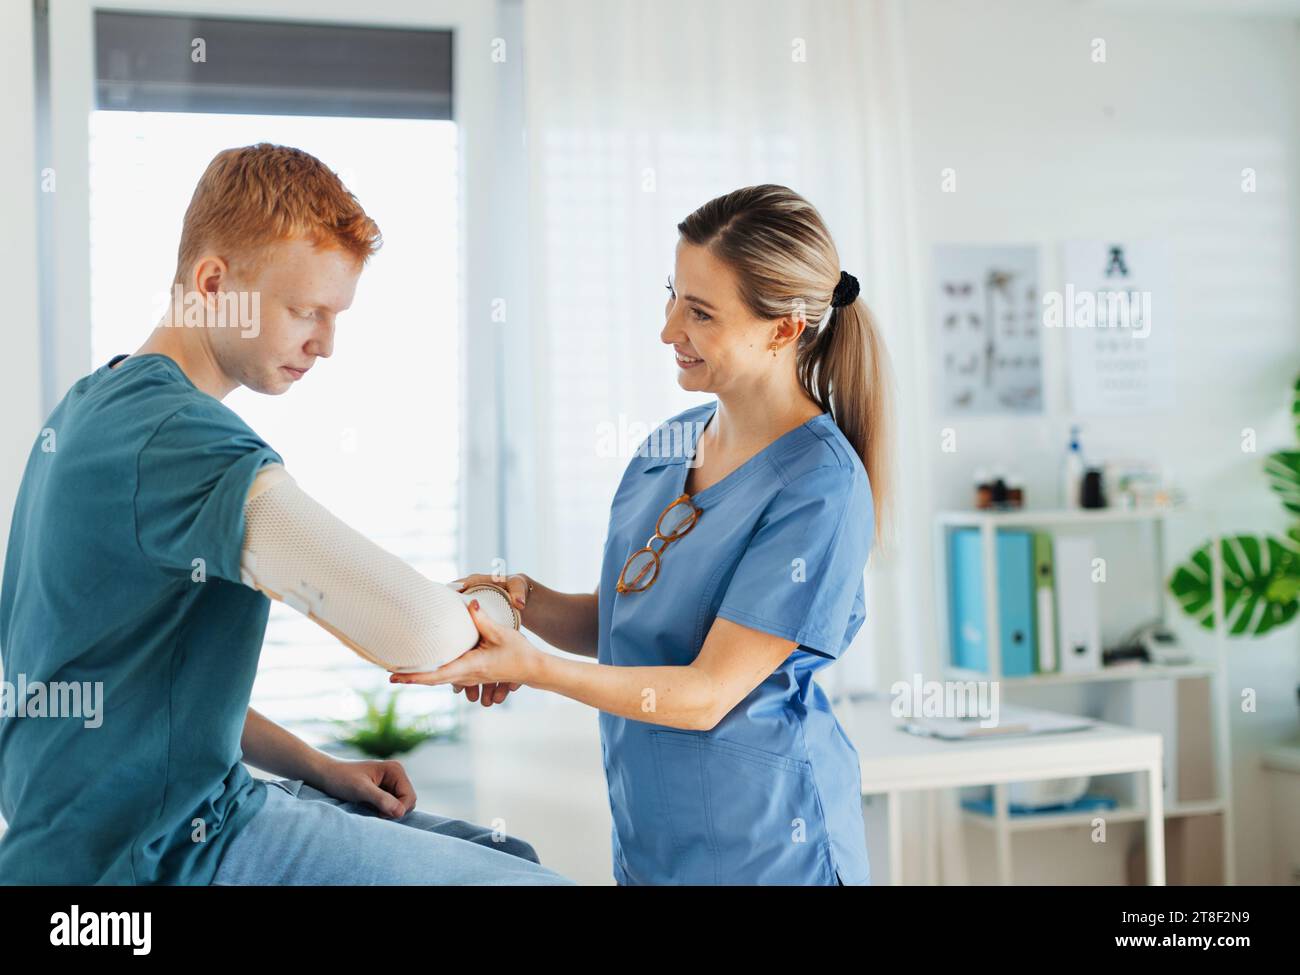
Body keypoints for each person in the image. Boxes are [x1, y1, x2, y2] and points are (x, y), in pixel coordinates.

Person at [0, 143, 568, 885]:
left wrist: (320, 768)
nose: (325, 344)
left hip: (123, 833)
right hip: (161, 857)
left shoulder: (90, 407)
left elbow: (149, 696)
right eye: (306, 311)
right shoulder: (178, 439)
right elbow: (418, 629)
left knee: (503, 856)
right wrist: (498, 606)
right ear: (213, 282)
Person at [396, 184, 896, 885]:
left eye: (699, 312)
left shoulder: (820, 486)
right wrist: (521, 603)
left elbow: (708, 689)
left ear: (783, 329)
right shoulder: (669, 446)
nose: (667, 329)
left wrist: (532, 669)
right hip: (653, 841)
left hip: (767, 850)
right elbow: (624, 621)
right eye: (673, 295)